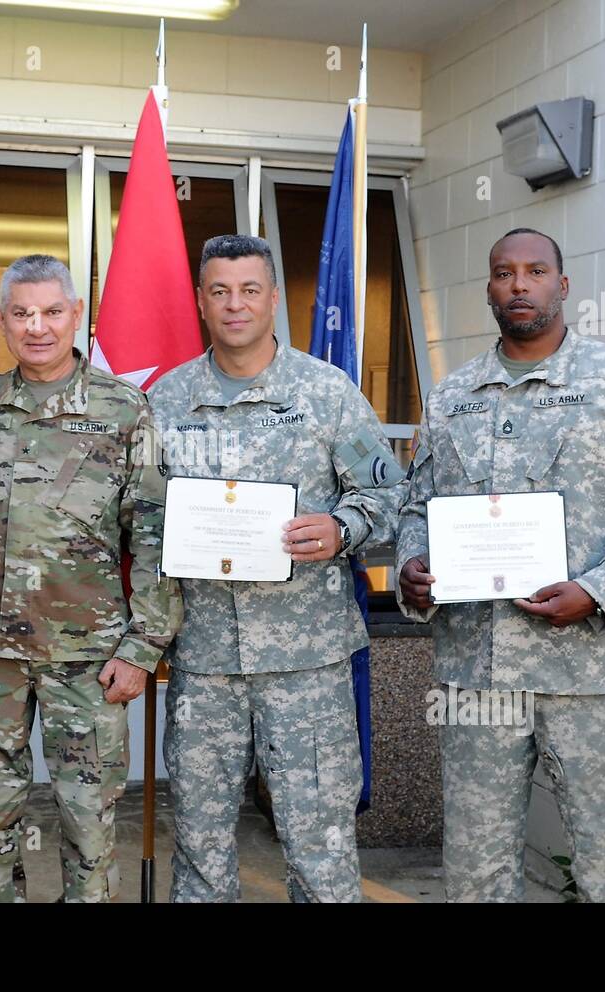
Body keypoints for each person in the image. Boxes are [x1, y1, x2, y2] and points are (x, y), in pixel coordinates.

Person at [396, 227, 605, 902]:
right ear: (489, 290)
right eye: (504, 273)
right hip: (479, 675)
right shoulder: (453, 397)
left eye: (535, 271)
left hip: (588, 675)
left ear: (562, 285)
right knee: (476, 871)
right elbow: (418, 506)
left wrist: (597, 591)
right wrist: (415, 564)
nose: (519, 284)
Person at [148, 234, 403, 903]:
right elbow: (141, 515)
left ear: (271, 301)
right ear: (202, 301)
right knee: (200, 841)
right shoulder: (166, 400)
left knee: (318, 841)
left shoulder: (326, 393)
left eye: (251, 290)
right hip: (203, 659)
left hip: (308, 662)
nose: (236, 304)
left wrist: (341, 528)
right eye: (221, 291)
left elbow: (386, 495)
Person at [0, 254, 182, 903]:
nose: (36, 326)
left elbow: (156, 536)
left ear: (77, 315)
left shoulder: (125, 411)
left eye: (51, 311)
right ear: (2, 320)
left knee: (89, 830)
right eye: (21, 313)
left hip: (88, 658)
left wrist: (143, 649)